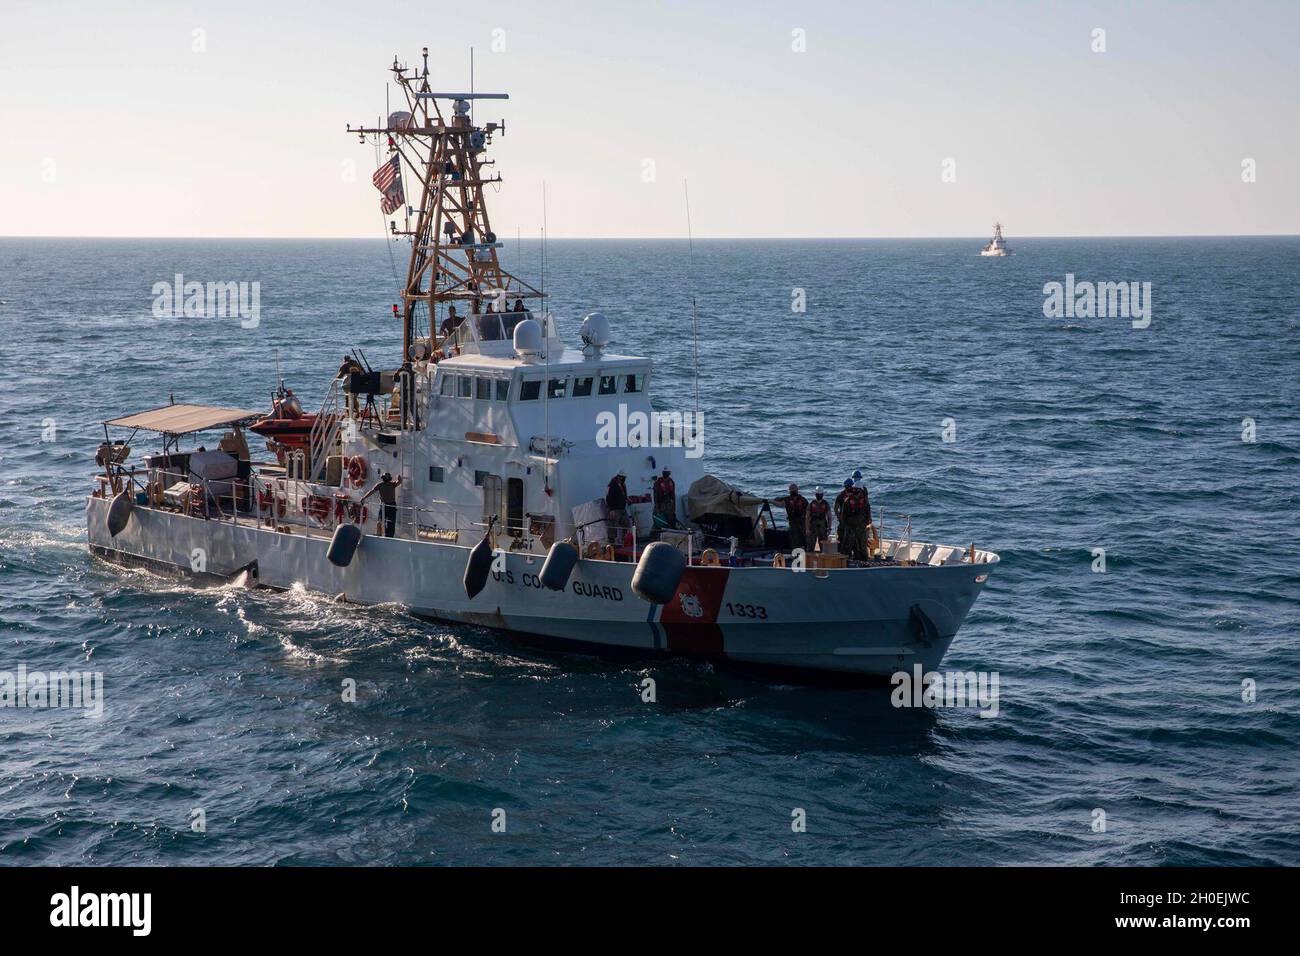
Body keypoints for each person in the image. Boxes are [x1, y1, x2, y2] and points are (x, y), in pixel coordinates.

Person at [360, 471, 402, 537]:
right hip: (384, 505)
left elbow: (399, 482)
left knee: (390, 522)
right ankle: (379, 534)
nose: (384, 478)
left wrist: (399, 477)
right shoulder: (380, 485)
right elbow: (371, 491)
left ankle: (389, 536)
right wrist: (364, 497)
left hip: (391, 505)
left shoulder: (392, 484)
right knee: (380, 521)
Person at [838, 478, 871, 561]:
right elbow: (843, 515)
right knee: (847, 546)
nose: (857, 491)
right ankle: (845, 562)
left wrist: (866, 523)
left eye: (858, 490)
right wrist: (847, 525)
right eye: (856, 489)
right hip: (850, 528)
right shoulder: (848, 501)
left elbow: (868, 513)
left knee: (861, 546)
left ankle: (862, 562)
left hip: (861, 527)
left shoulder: (864, 501)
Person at [780, 483, 809, 552]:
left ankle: (802, 551)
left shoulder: (803, 500)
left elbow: (808, 511)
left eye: (793, 489)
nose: (792, 491)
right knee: (794, 539)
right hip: (793, 523)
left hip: (801, 522)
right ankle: (796, 552)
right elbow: (778, 501)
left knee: (802, 538)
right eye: (791, 490)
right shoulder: (787, 499)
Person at [605, 469, 629, 544]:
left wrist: (627, 499)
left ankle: (624, 540)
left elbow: (623, 494)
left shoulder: (622, 484)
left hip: (622, 508)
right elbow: (608, 498)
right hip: (615, 510)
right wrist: (611, 509)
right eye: (623, 477)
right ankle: (612, 544)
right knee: (613, 526)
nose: (624, 479)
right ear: (619, 477)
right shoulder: (612, 484)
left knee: (626, 523)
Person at [807, 486, 831, 552]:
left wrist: (829, 528)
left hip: (822, 527)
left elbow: (829, 517)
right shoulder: (811, 504)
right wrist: (807, 529)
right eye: (818, 494)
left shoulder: (825, 504)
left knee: (824, 547)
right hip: (814, 526)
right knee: (811, 546)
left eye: (819, 494)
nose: (819, 495)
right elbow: (807, 517)